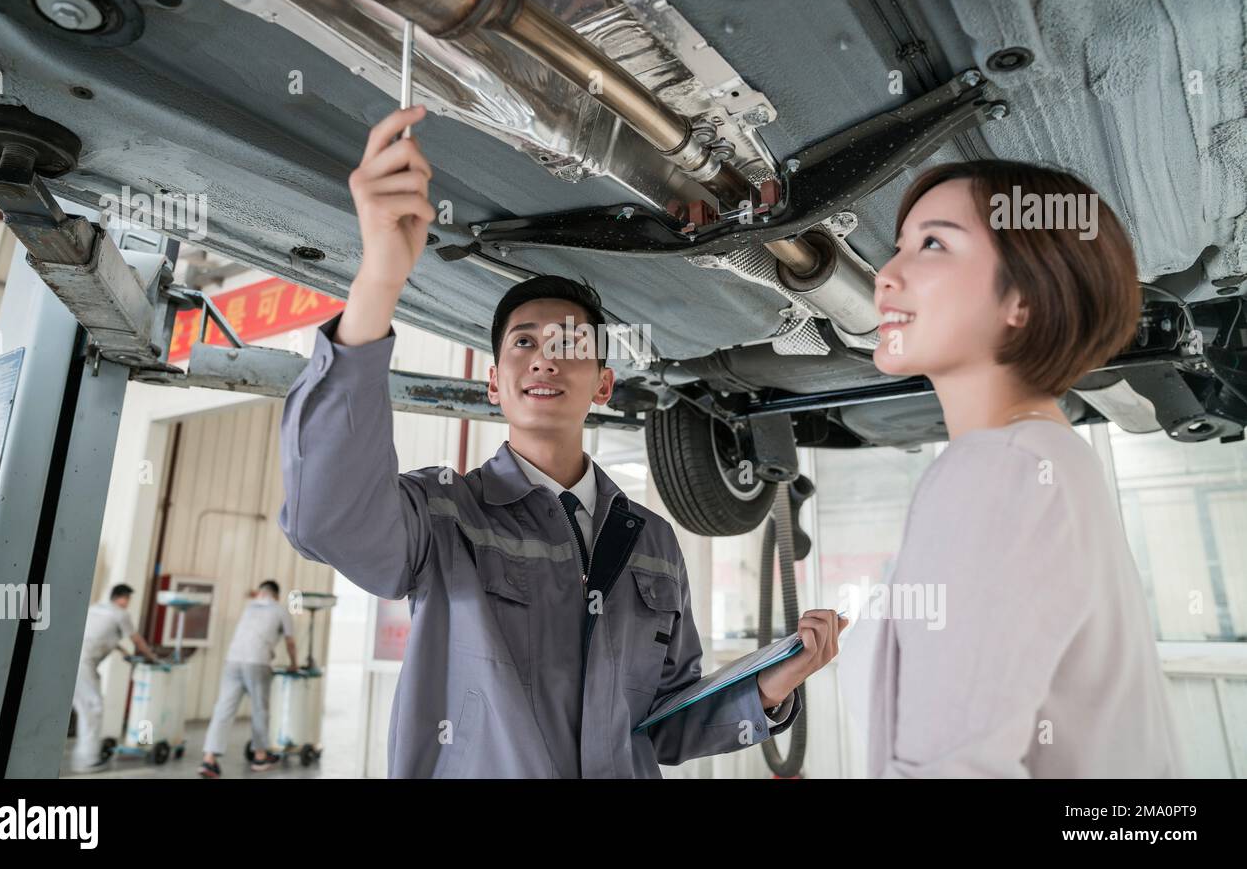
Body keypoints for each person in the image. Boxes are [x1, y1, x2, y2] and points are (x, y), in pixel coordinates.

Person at [278, 104, 846, 778]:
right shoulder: (445, 517)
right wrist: (379, 280)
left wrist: (773, 684)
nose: (544, 359)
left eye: (568, 344)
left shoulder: (653, 546)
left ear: (603, 384)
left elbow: (664, 724)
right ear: (495, 383)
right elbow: (327, 514)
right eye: (524, 344)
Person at [838, 159, 1182, 777]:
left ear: (1022, 299)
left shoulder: (1003, 469)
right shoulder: (1043, 459)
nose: (885, 275)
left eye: (934, 244)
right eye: (899, 248)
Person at [197, 580, 298, 778]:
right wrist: (294, 663)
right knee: (260, 709)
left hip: (233, 660)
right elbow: (290, 641)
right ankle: (260, 756)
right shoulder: (280, 610)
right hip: (257, 663)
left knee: (223, 709)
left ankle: (209, 759)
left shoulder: (249, 608)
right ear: (276, 595)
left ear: (261, 593)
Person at [70, 584, 156, 774]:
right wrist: (153, 658)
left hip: (72, 658)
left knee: (87, 707)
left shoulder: (97, 609)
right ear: (122, 598)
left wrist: (121, 651)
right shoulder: (120, 614)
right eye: (128, 599)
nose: (128, 603)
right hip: (83, 664)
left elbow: (99, 636)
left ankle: (87, 755)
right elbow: (137, 640)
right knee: (92, 709)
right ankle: (87, 761)